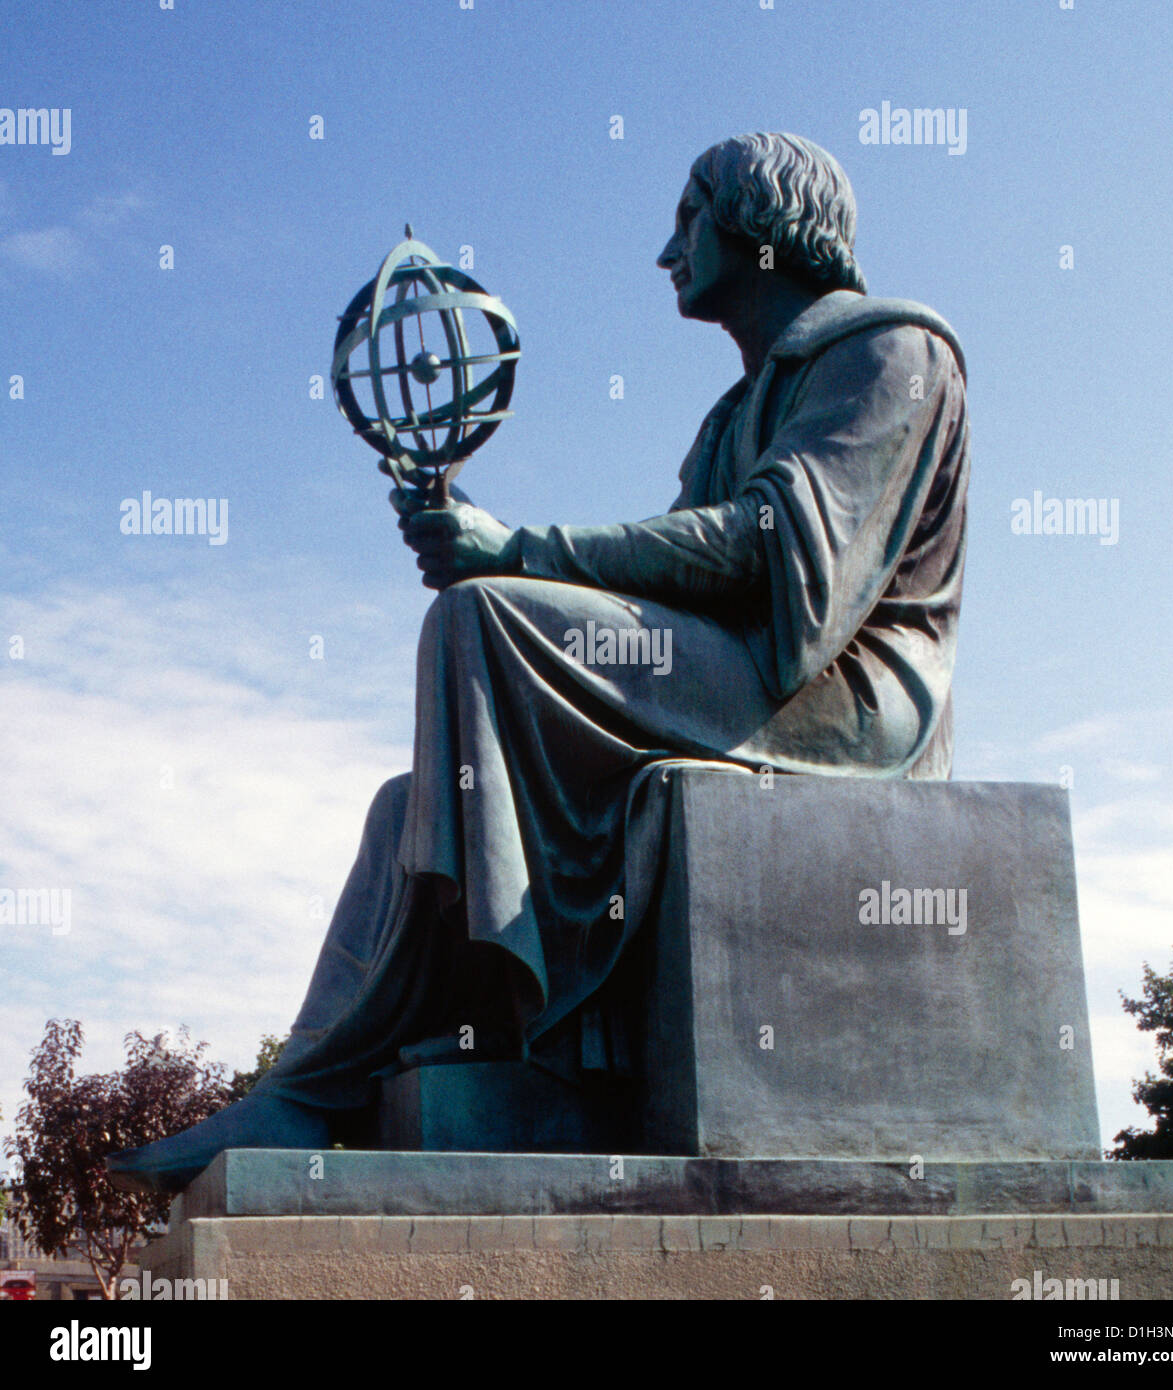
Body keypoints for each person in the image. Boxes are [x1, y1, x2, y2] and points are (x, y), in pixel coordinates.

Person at [107, 132, 970, 1193]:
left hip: (845, 701)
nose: (667, 251)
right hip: (749, 677)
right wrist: (487, 541)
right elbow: (669, 584)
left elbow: (775, 551)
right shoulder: (728, 416)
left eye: (687, 217)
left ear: (759, 227)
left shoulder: (889, 351)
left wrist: (515, 550)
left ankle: (484, 1036)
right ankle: (325, 1084)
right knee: (406, 804)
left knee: (483, 619)